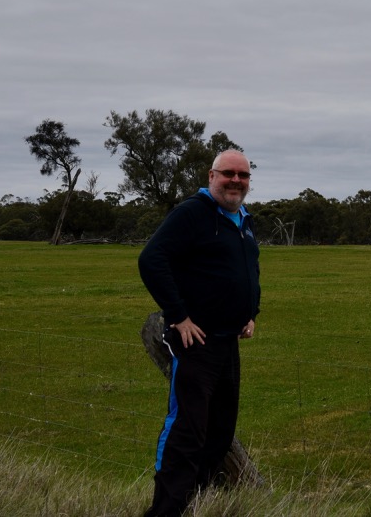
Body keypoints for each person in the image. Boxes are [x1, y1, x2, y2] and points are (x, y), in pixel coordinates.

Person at [138, 149, 261, 517]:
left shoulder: (242, 218)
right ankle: (165, 510)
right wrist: (179, 317)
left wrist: (250, 313)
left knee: (220, 430)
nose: (236, 181)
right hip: (195, 343)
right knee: (186, 433)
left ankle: (197, 502)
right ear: (212, 176)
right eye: (228, 174)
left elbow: (248, 269)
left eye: (243, 175)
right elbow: (151, 259)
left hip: (227, 342)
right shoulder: (192, 213)